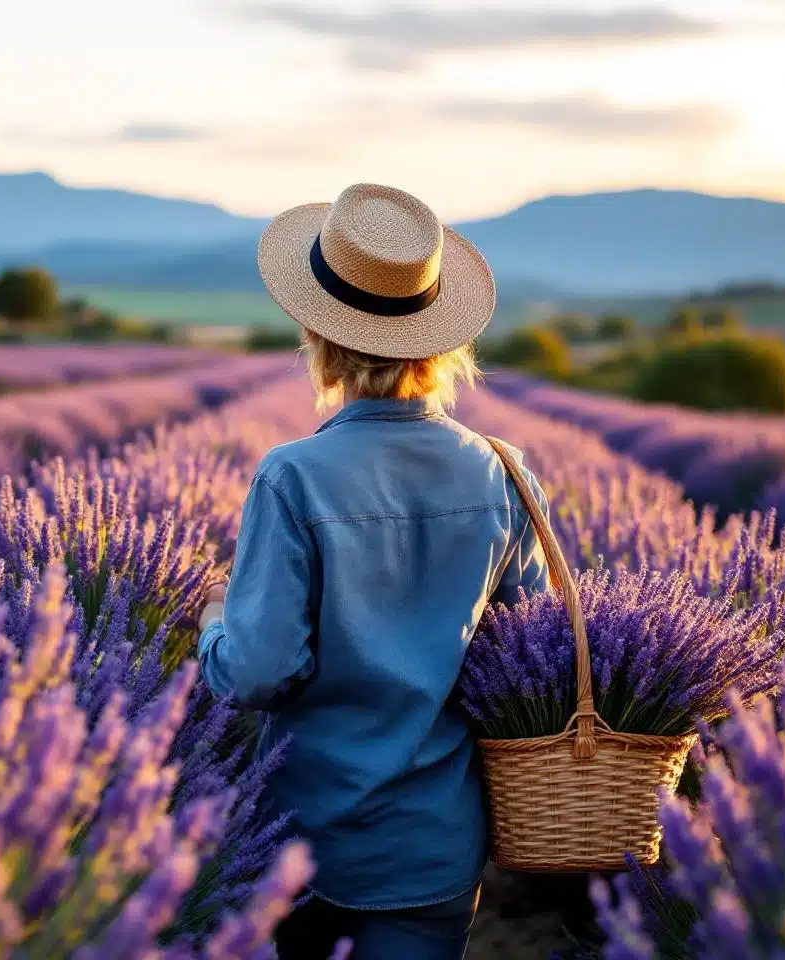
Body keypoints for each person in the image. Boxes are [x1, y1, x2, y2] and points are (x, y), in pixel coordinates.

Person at [196, 184, 552, 960]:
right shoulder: (504, 472)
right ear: (439, 340)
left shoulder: (293, 476)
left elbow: (259, 672)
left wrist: (212, 624)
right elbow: (533, 660)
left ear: (318, 335)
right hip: (435, 838)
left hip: (305, 835)